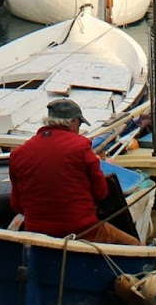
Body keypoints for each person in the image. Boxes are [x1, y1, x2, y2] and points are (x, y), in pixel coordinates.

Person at [8, 97, 139, 245]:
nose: (79, 129)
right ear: (73, 122)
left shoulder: (19, 153)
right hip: (82, 230)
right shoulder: (81, 147)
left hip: (36, 232)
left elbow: (16, 205)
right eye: (80, 124)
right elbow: (101, 193)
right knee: (134, 245)